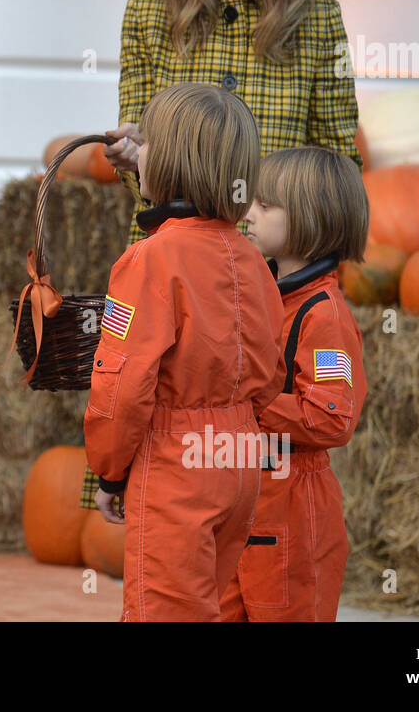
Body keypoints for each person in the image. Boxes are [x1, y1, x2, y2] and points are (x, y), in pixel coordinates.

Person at [84, 83, 286, 621]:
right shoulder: (251, 259)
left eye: (145, 144)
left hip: (177, 464)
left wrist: (109, 471)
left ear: (168, 161)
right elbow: (271, 374)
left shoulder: (148, 259)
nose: (136, 154)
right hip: (239, 460)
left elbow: (122, 383)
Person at [103, 0, 361, 246]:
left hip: (271, 264)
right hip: (170, 255)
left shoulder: (317, 20)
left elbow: (335, 161)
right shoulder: (148, 11)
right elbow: (137, 151)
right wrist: (132, 158)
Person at [220, 147, 369, 622]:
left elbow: (331, 417)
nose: (248, 214)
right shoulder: (261, 294)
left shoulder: (325, 319)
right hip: (242, 492)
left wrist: (250, 399)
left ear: (311, 219)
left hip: (293, 505)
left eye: (265, 206)